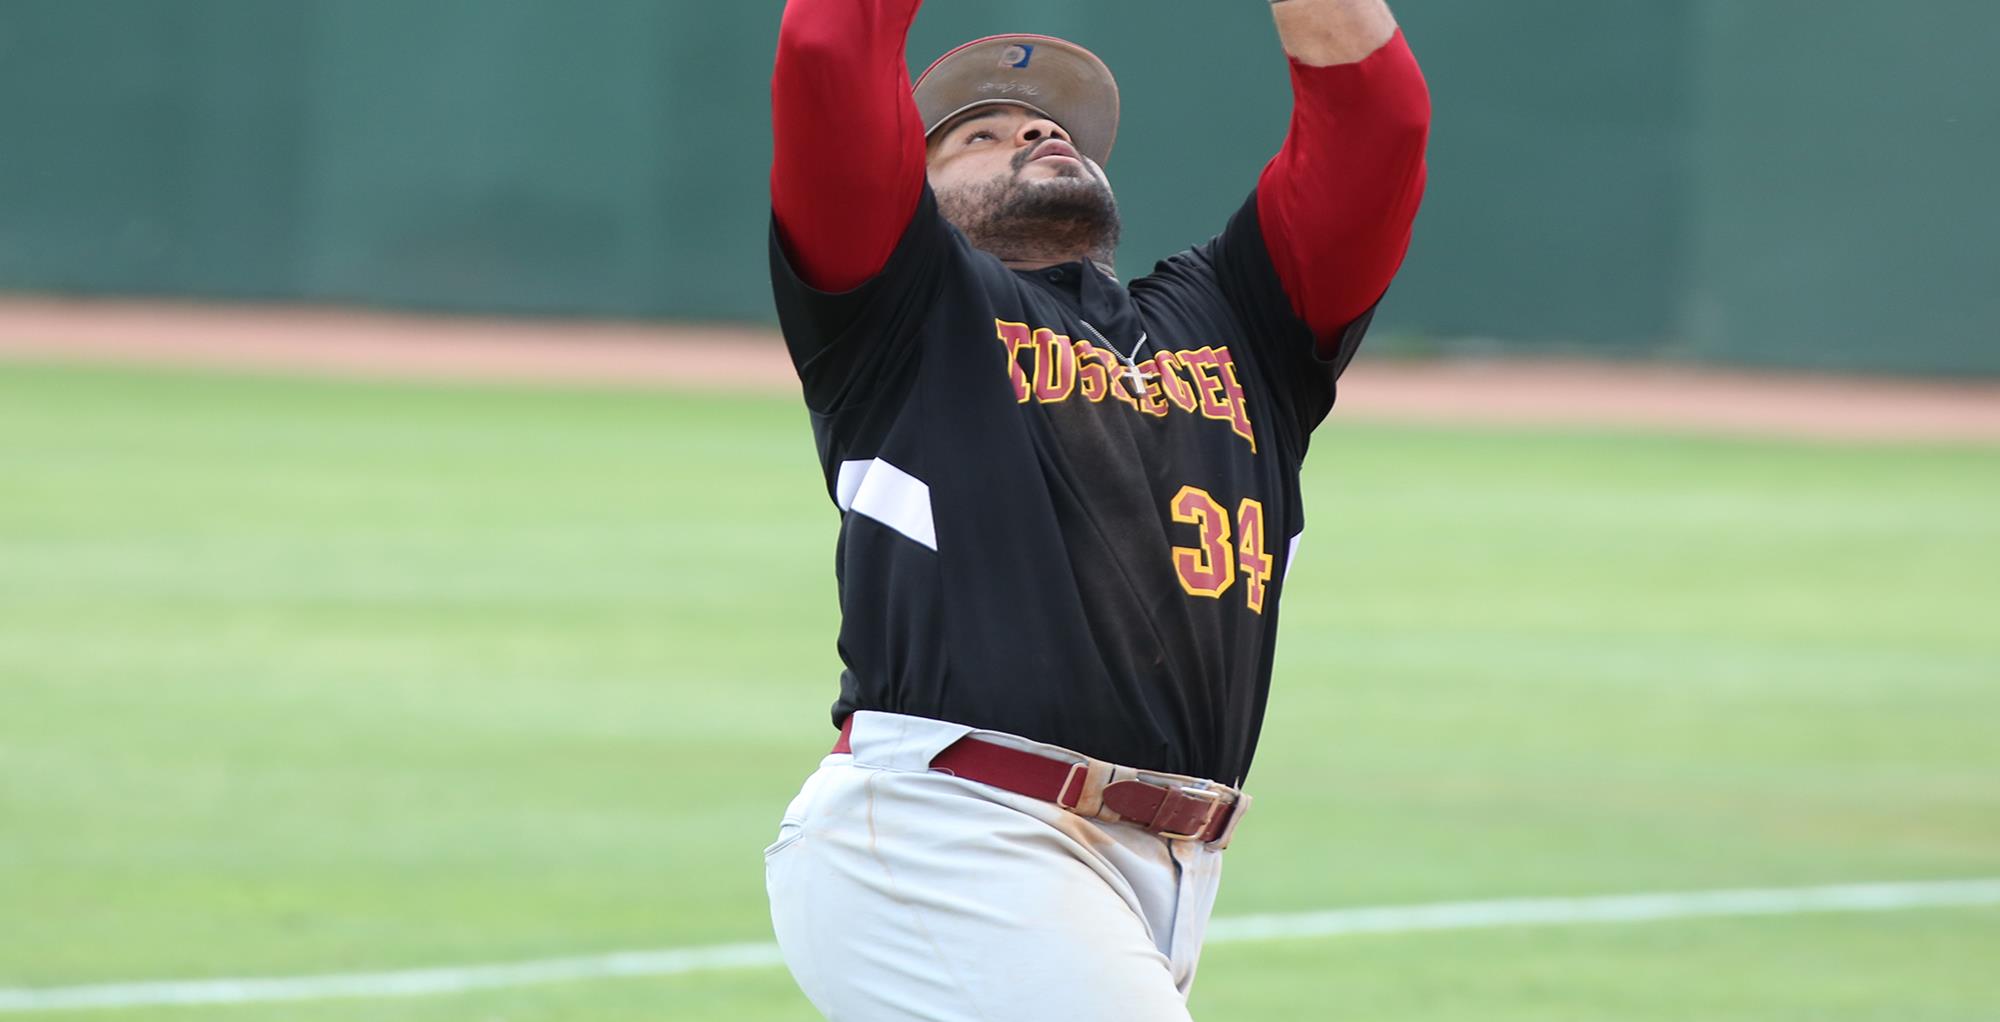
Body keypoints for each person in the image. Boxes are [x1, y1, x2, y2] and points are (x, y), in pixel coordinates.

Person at [762, 0, 1429, 1017]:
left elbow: (1378, 125)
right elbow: (824, 45)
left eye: (1045, 126)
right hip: (947, 830)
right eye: (976, 135)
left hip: (1154, 867)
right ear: (907, 194)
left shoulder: (1238, 322)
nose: (1030, 131)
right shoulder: (901, 311)